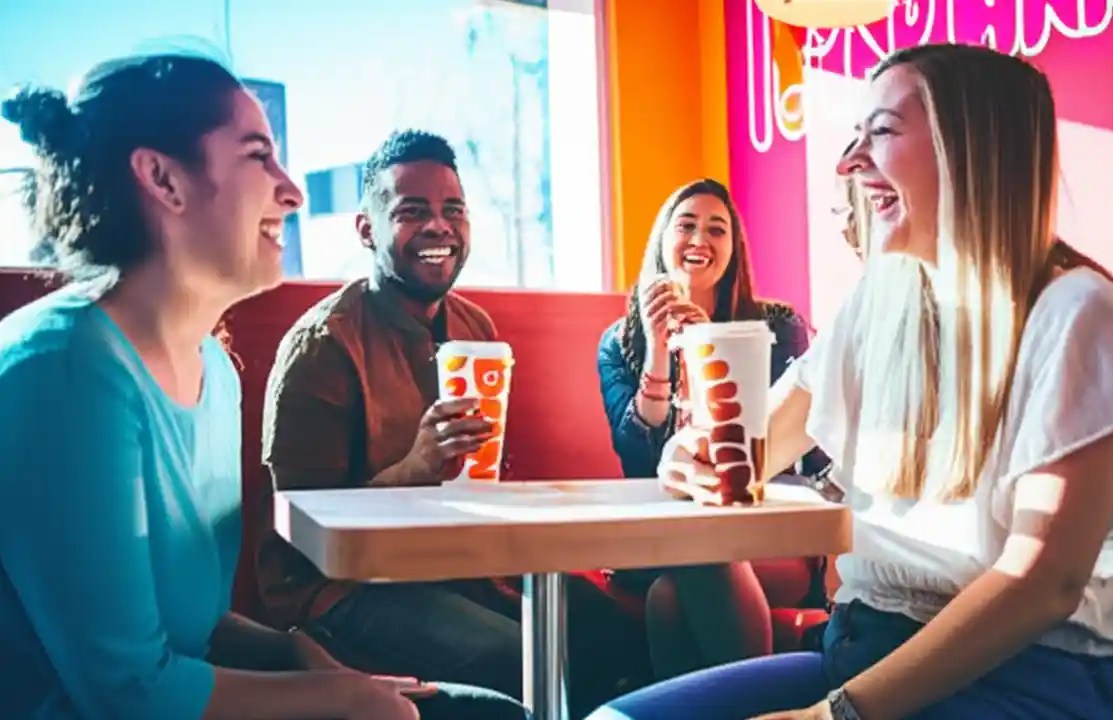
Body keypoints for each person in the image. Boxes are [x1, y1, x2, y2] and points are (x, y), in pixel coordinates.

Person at [591, 43, 1113, 720]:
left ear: (970, 149)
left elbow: (1042, 580)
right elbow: (753, 449)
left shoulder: (1080, 316)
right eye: (854, 136)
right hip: (860, 659)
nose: (848, 163)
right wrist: (693, 459)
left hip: (1026, 680)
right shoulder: (879, 301)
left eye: (882, 132)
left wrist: (836, 714)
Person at [0, 53, 523, 720]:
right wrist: (341, 697)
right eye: (258, 157)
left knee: (499, 710)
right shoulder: (64, 372)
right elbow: (126, 693)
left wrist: (298, 656)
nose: (293, 191)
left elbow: (199, 626)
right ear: (161, 178)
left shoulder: (214, 372)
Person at [255, 128, 644, 718]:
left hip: (458, 566)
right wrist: (413, 468)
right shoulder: (322, 348)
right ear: (368, 229)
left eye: (452, 210)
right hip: (340, 593)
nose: (438, 227)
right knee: (520, 655)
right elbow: (303, 534)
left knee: (615, 633)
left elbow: (478, 485)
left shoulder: (475, 329)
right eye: (413, 212)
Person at [596, 178, 830, 680]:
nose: (700, 238)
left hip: (767, 533)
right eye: (686, 225)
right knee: (670, 587)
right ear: (662, 239)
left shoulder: (774, 327)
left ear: (733, 250)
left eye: (716, 229)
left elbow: (798, 452)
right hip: (664, 538)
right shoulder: (620, 343)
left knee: (676, 589)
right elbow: (637, 461)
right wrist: (660, 353)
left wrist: (708, 350)